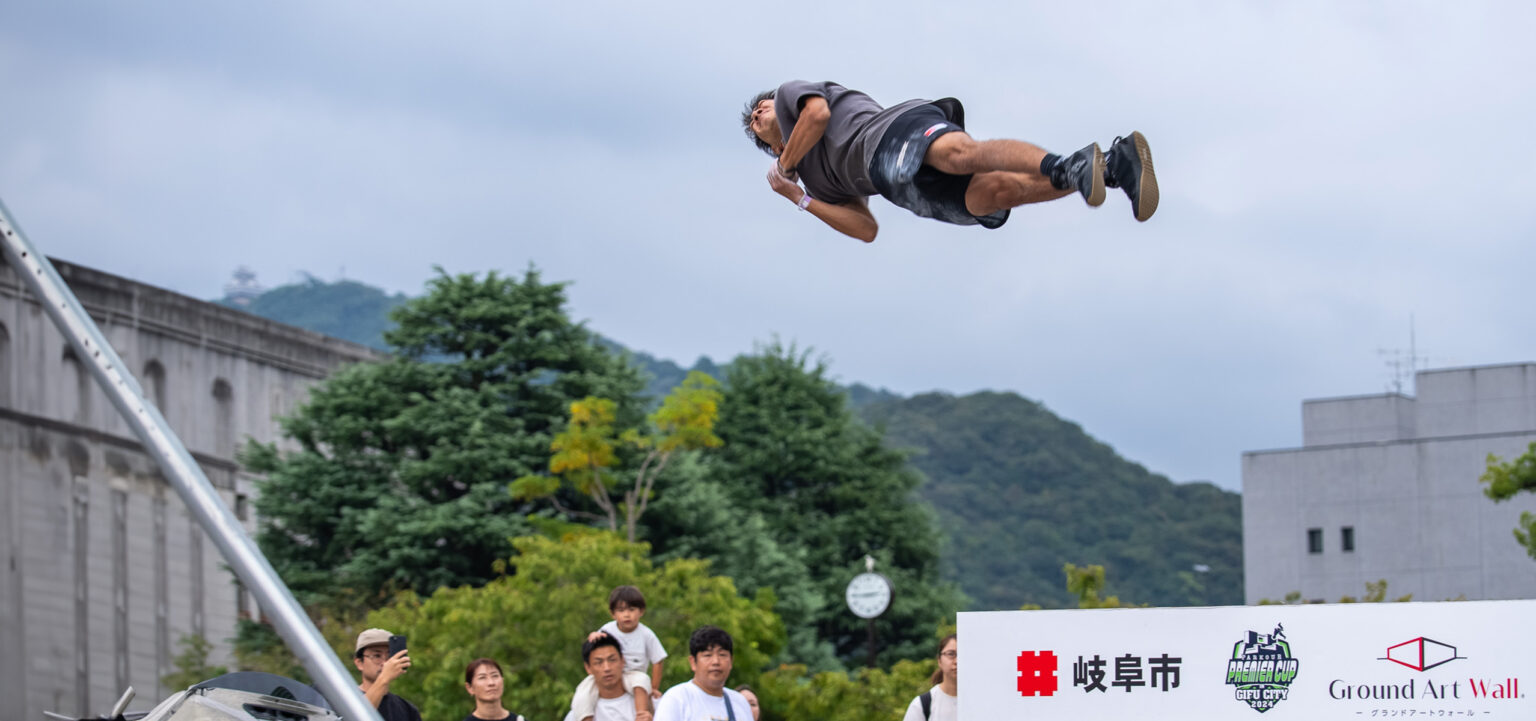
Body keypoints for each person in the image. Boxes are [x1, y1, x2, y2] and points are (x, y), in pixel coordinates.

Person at [741, 80, 1158, 242]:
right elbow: (866, 229)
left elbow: (818, 116)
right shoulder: (816, 181)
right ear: (771, 147)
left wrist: (789, 165)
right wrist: (800, 198)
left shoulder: (793, 97)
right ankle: (1111, 167)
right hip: (895, 184)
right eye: (756, 119)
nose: (762, 110)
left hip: (890, 132)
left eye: (764, 105)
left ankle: (1070, 166)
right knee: (992, 195)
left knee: (959, 154)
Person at [574, 586, 666, 720]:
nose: (626, 615)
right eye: (621, 610)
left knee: (642, 681)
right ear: (613, 613)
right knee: (583, 691)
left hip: (633, 675)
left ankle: (641, 715)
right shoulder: (607, 629)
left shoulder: (646, 634)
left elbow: (658, 660)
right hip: (609, 676)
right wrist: (593, 635)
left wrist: (653, 688)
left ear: (641, 611)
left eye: (632, 609)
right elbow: (596, 641)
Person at [652, 626, 754, 721]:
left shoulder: (740, 702)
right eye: (707, 655)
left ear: (731, 661)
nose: (716, 661)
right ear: (693, 662)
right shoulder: (676, 698)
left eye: (722, 655)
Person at [565, 632, 655, 721]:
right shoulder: (577, 713)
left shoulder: (652, 704)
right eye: (599, 662)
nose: (607, 668)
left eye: (612, 660)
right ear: (588, 668)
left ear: (622, 661)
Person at [353, 627, 422, 721]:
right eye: (377, 656)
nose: (385, 663)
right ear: (359, 663)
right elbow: (356, 715)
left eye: (390, 656)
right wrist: (384, 678)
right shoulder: (343, 699)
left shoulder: (407, 709)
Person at [902, 635, 957, 721]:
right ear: (939, 660)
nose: (957, 661)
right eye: (951, 654)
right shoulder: (922, 705)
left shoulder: (981, 702)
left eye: (963, 654)